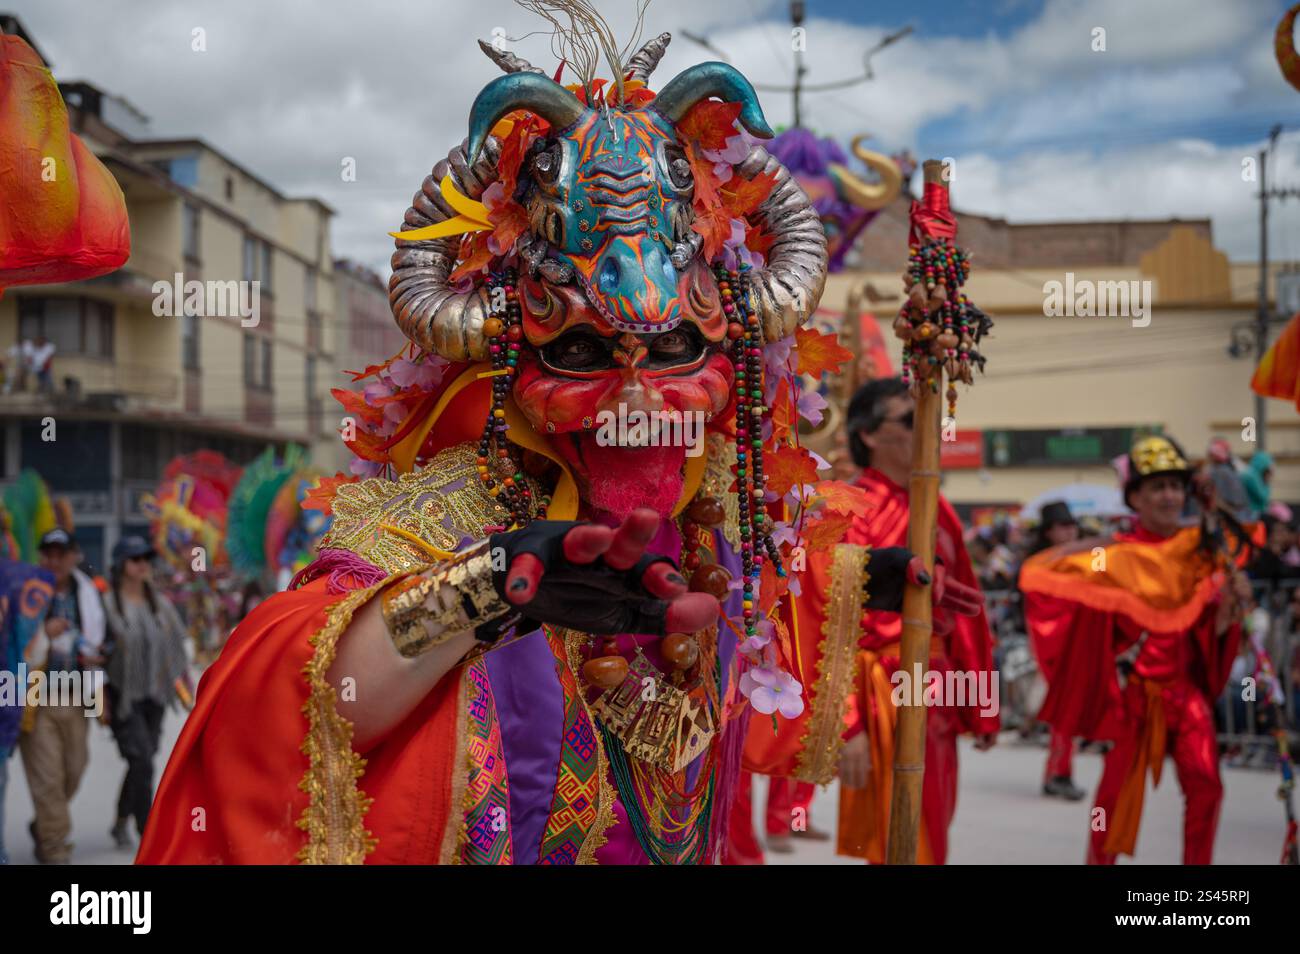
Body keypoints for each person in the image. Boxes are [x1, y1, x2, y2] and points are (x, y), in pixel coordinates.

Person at [135, 21, 924, 865]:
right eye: (582, 354)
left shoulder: (711, 506)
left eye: (672, 353)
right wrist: (489, 588)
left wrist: (851, 582)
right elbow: (308, 695)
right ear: (510, 356)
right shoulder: (455, 506)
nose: (635, 399)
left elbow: (759, 598)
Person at [739, 376, 998, 865]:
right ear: (871, 434)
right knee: (897, 836)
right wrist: (849, 723)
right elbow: (823, 616)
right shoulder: (846, 509)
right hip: (882, 691)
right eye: (909, 419)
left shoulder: (939, 509)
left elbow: (969, 613)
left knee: (933, 824)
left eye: (930, 420)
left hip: (938, 689)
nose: (926, 430)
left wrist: (981, 702)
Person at [1020, 436, 1253, 864]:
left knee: (1207, 784)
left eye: (1175, 486)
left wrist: (1231, 609)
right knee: (1111, 799)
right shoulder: (1113, 556)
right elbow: (1045, 577)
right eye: (1157, 487)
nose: (1169, 495)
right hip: (1134, 696)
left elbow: (1211, 628)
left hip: (1186, 693)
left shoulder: (1200, 551)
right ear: (1136, 498)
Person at [19, 528, 106, 864]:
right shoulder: (26, 593)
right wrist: (42, 631)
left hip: (76, 693)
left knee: (75, 767)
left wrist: (100, 696)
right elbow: (12, 642)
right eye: (48, 553)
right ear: (40, 557)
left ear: (74, 556)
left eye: (61, 553)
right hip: (36, 695)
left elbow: (100, 641)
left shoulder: (87, 593)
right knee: (47, 776)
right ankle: (55, 847)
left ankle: (44, 822)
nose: (54, 561)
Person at [102, 536, 190, 849]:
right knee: (142, 761)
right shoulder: (107, 604)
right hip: (122, 695)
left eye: (146, 559)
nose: (143, 565)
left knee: (145, 759)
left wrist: (182, 687)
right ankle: (147, 830)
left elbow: (176, 646)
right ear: (121, 565)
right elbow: (98, 650)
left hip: (155, 694)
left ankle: (120, 820)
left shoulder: (159, 602)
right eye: (135, 559)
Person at [1022, 500, 1085, 800]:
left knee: (1068, 715)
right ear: (1049, 532)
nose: (1070, 530)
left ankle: (1058, 772)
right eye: (1063, 525)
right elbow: (1043, 610)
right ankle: (1059, 774)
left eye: (1072, 524)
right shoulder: (1040, 565)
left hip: (1077, 644)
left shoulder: (1083, 558)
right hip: (1056, 646)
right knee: (1065, 715)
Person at [1242, 450, 1273, 518]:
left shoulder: (1253, 475)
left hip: (1252, 513)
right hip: (1251, 514)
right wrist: (1266, 482)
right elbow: (1263, 497)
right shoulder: (1252, 477)